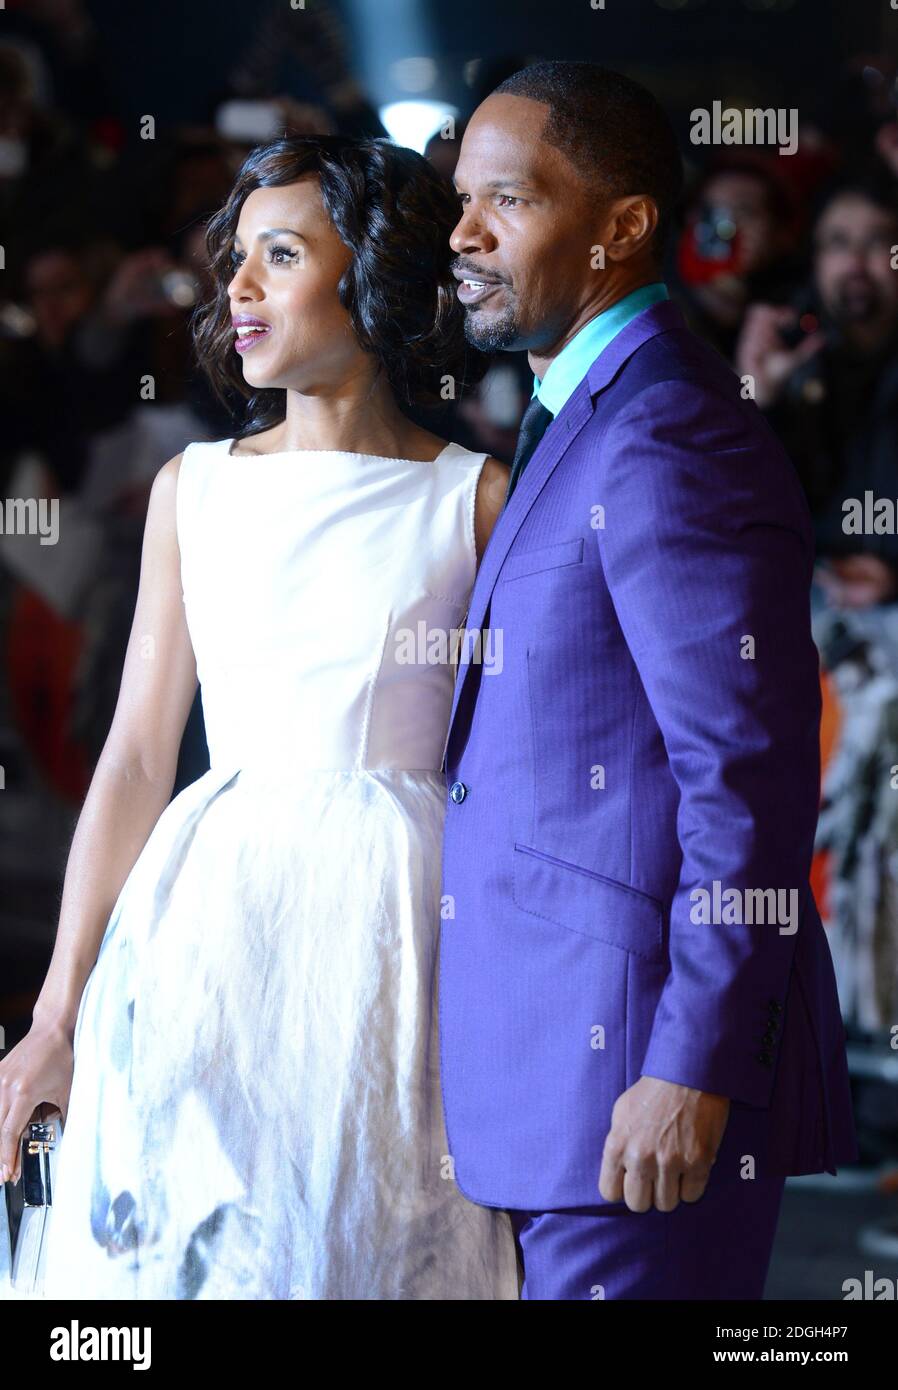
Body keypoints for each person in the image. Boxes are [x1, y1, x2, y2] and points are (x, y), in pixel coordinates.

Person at [0, 134, 520, 1300]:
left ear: (374, 273)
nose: (234, 289)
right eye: (234, 258)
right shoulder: (198, 489)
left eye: (277, 256)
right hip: (205, 918)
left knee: (371, 1247)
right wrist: (54, 1013)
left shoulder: (474, 497)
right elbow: (136, 755)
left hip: (401, 927)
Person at [437, 60, 859, 1301]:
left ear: (621, 227)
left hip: (634, 1086)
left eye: (504, 201)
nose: (462, 232)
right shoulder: (588, 414)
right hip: (554, 1082)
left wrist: (694, 1066)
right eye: (461, 197)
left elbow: (750, 784)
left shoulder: (671, 430)